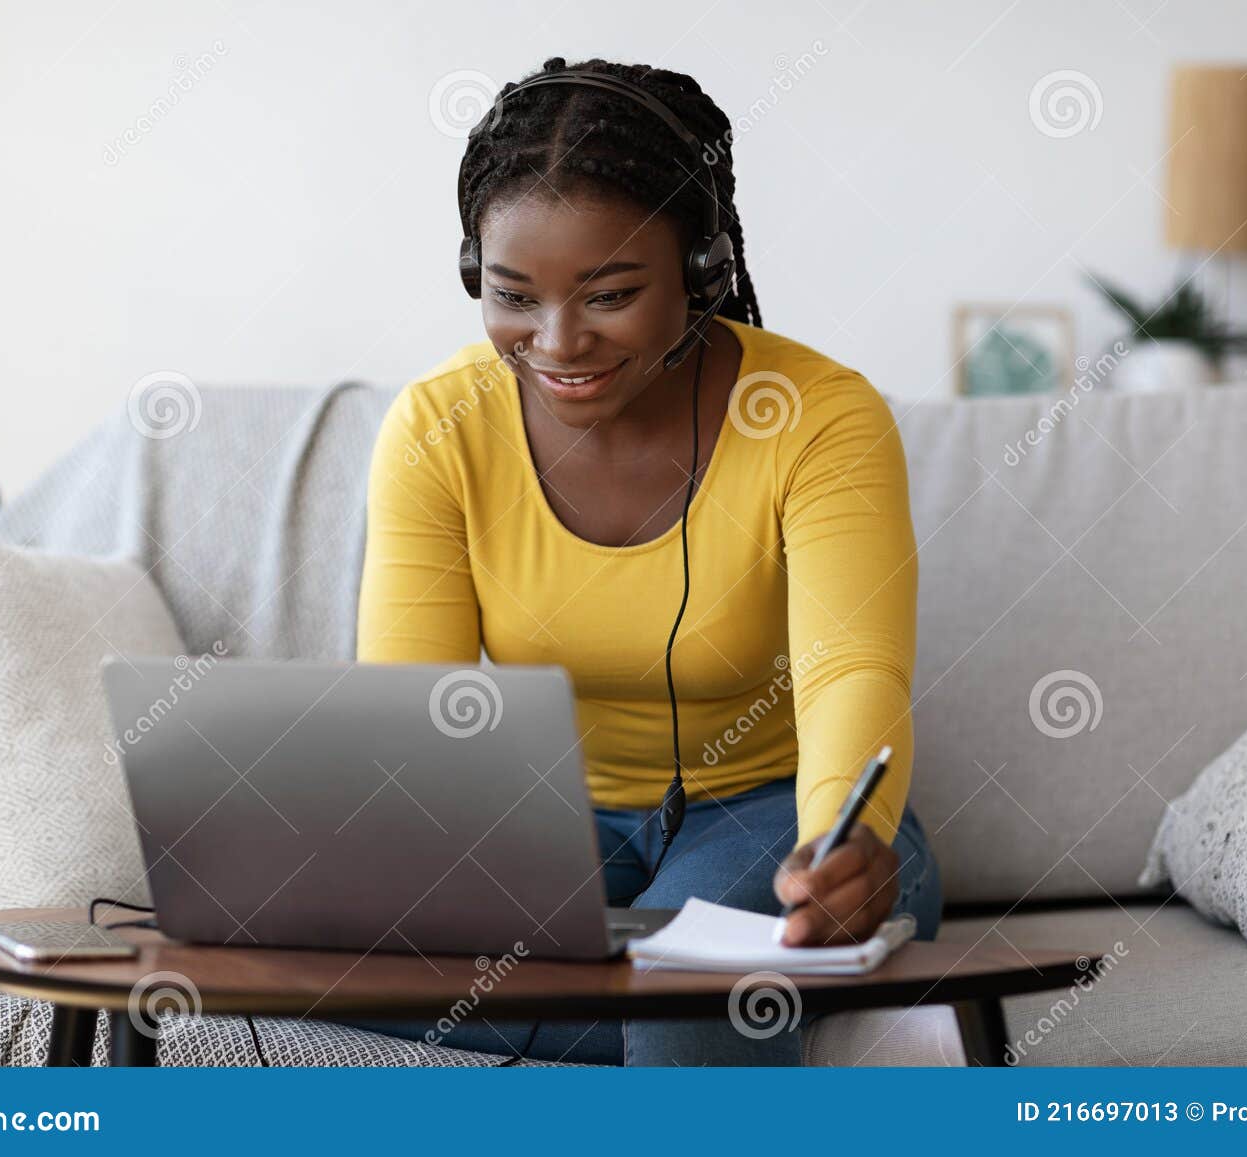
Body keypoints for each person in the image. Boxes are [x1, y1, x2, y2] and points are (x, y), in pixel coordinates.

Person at [349, 56, 941, 1066]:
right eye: (512, 296)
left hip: (773, 812)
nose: (557, 342)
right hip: (549, 822)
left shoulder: (818, 418)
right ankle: (727, 1012)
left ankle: (689, 1004)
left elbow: (852, 667)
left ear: (702, 271)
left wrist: (841, 841)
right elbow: (417, 712)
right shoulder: (440, 425)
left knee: (687, 992)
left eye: (611, 293)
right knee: (321, 960)